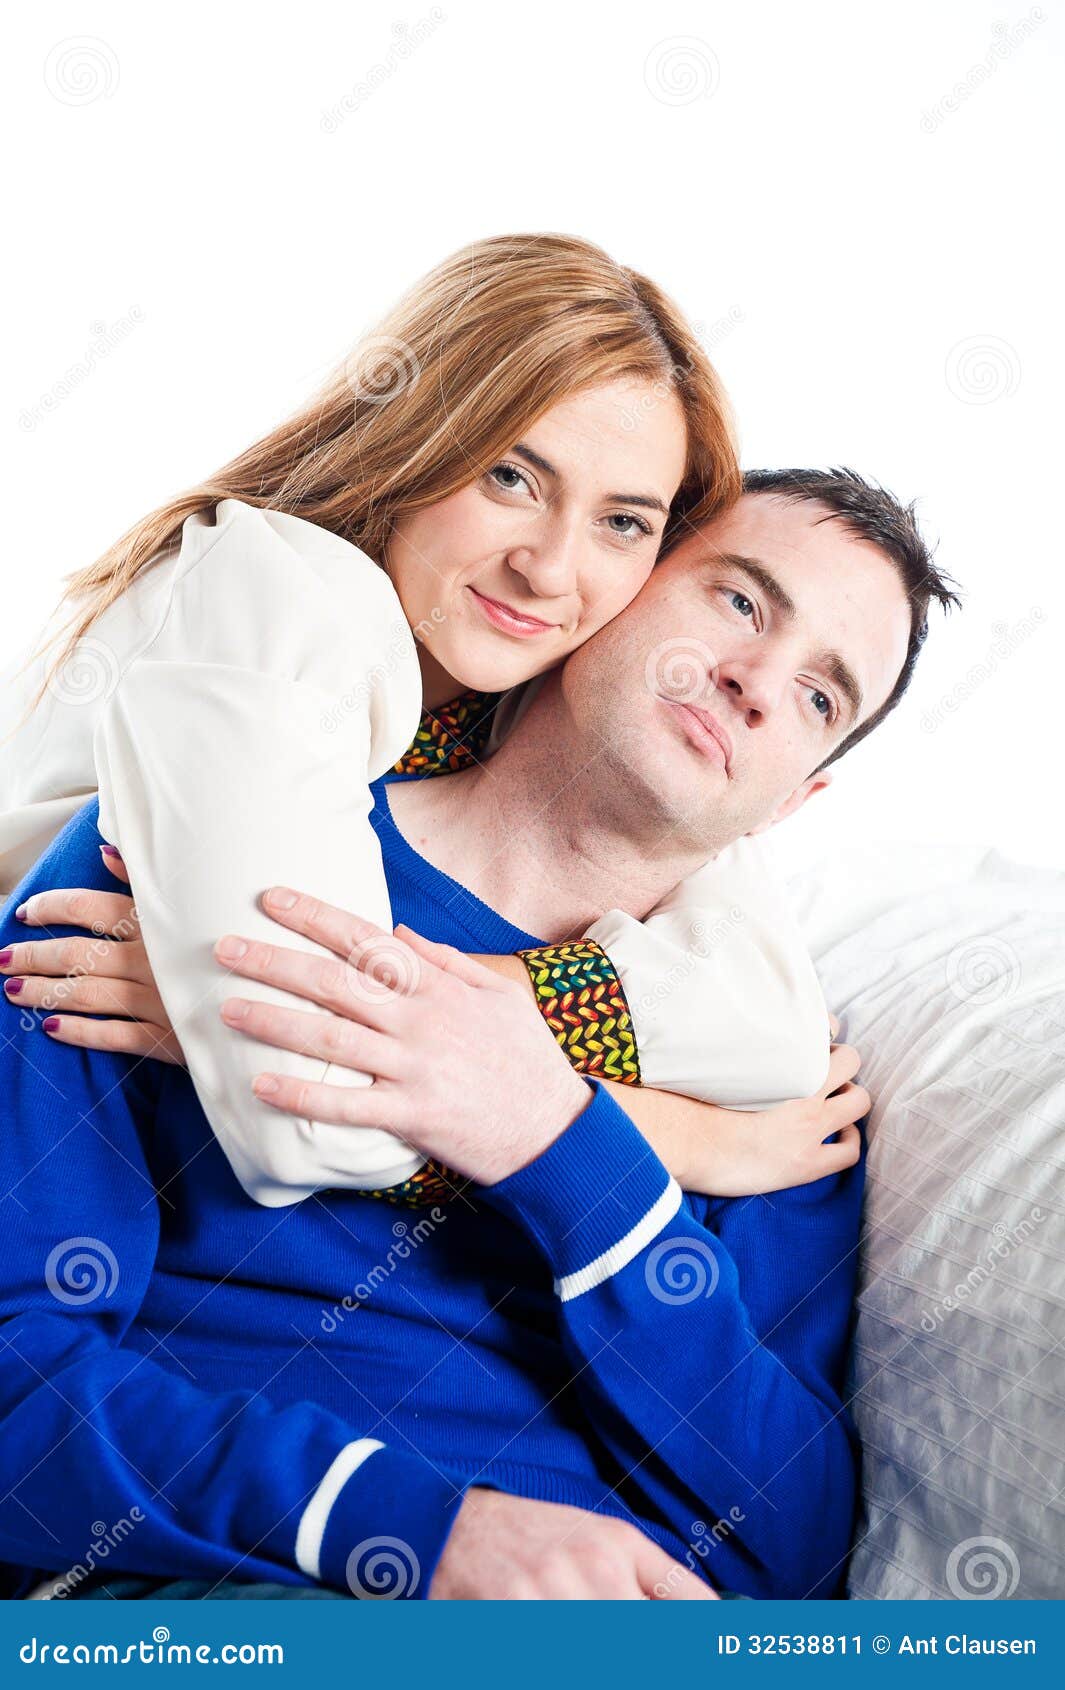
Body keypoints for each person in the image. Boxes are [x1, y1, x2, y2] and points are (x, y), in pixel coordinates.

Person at [0, 472, 959, 1600]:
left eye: (820, 698)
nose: (757, 684)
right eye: (742, 603)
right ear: (615, 589)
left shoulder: (778, 1086)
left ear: (797, 797)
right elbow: (18, 1385)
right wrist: (416, 1530)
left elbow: (789, 1547)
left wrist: (564, 1146)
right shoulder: (191, 844)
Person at [0, 234, 832, 1212]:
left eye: (622, 523)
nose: (552, 569)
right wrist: (692, 1138)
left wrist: (427, 1010)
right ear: (413, 442)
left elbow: (771, 1026)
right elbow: (315, 1121)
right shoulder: (280, 595)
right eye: (512, 478)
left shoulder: (531, 682)